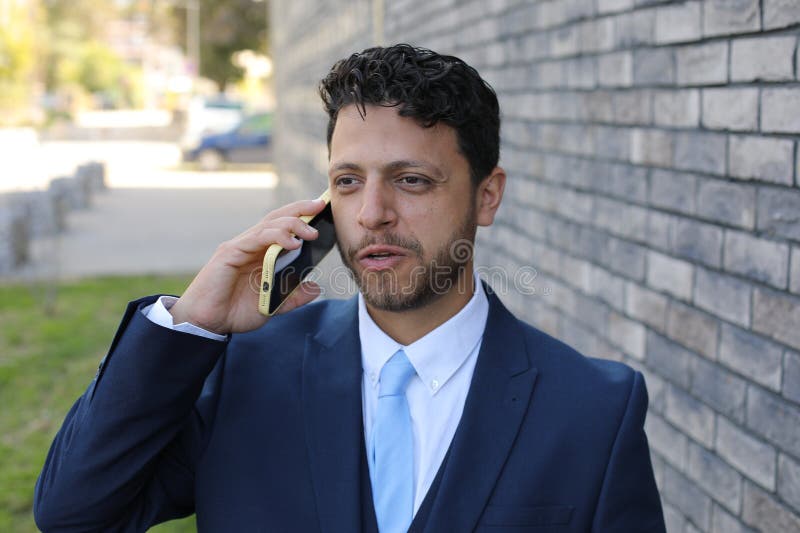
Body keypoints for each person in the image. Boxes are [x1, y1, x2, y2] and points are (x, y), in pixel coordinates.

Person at [34, 44, 666, 532]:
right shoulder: (245, 369)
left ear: (487, 195)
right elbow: (75, 513)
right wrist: (192, 322)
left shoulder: (594, 409)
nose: (371, 213)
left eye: (412, 180)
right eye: (348, 180)